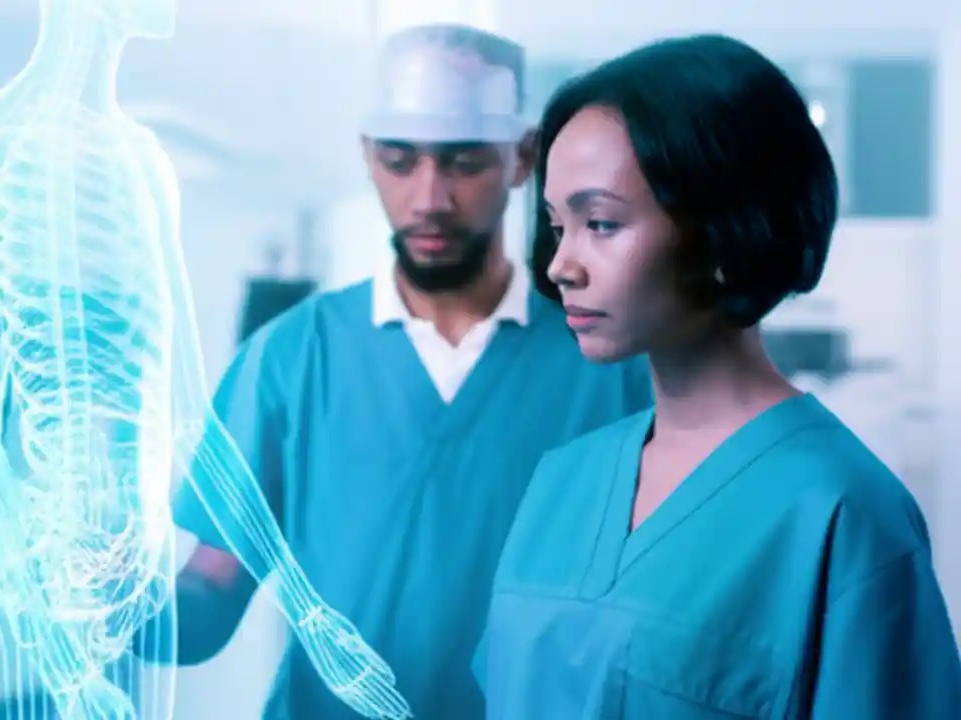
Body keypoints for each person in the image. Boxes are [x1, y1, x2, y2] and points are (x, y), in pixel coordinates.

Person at [169, 23, 653, 720]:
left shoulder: (607, 366)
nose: (429, 198)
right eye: (400, 161)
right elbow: (211, 595)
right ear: (369, 157)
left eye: (462, 163)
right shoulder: (291, 358)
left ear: (522, 159)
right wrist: (115, 610)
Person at [472, 33, 961, 719]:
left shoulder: (842, 513)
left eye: (602, 223)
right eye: (557, 226)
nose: (561, 264)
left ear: (725, 227)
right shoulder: (563, 479)